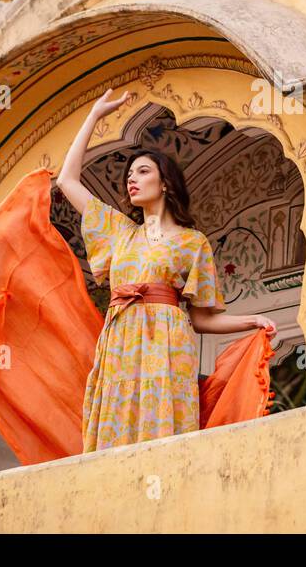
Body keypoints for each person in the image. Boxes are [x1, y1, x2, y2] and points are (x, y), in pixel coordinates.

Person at [56, 87, 277, 454]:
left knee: (162, 433)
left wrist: (252, 319)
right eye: (129, 174)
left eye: (143, 171)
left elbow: (203, 319)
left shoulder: (193, 242)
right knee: (116, 432)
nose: (132, 179)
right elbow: (67, 181)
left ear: (165, 183)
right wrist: (93, 117)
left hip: (168, 345)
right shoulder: (119, 232)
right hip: (120, 341)